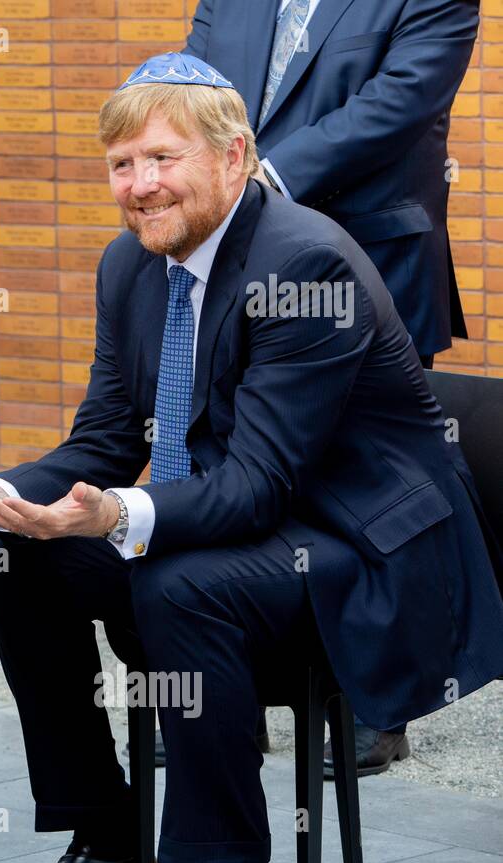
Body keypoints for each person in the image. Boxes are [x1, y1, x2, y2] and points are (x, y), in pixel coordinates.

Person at [0, 52, 503, 863]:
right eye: (121, 165)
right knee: (19, 559)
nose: (139, 184)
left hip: (358, 549)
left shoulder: (306, 265)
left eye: (162, 157)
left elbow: (261, 487)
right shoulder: (128, 264)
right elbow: (103, 443)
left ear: (234, 157)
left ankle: (213, 856)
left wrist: (120, 514)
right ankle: (107, 836)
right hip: (240, 525)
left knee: (177, 582)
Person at [184, 0, 481, 778]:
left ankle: (379, 703)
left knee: (379, 488)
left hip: (370, 256)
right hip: (235, 252)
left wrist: (261, 176)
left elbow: (400, 103)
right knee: (232, 459)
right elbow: (195, 98)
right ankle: (230, 702)